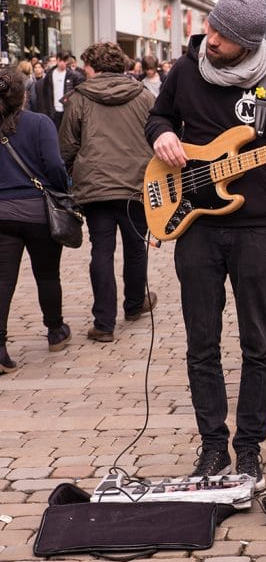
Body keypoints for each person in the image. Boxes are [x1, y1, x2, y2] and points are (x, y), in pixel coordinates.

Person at [145, 0, 266, 487]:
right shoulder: (185, 70)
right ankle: (212, 448)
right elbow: (159, 116)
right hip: (196, 226)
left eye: (222, 35)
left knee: (256, 344)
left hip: (256, 230)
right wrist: (161, 134)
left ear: (247, 42)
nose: (210, 37)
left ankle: (248, 448)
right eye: (211, 26)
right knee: (201, 344)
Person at [59, 42, 158, 343]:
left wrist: (74, 172)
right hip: (136, 185)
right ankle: (133, 304)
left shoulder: (79, 99)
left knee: (101, 251)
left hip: (96, 187)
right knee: (135, 246)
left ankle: (104, 323)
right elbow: (160, 136)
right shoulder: (144, 96)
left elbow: (66, 146)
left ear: (93, 67)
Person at [0, 66, 72, 370]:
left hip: (2, 213)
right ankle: (55, 331)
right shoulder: (40, 123)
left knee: (2, 281)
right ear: (24, 95)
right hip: (38, 213)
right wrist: (61, 190)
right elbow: (55, 166)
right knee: (47, 274)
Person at [33, 51, 84, 129]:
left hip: (67, 110)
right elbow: (45, 94)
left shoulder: (73, 75)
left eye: (65, 61)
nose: (63, 63)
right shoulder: (50, 75)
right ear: (57, 60)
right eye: (61, 60)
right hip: (53, 111)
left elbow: (79, 88)